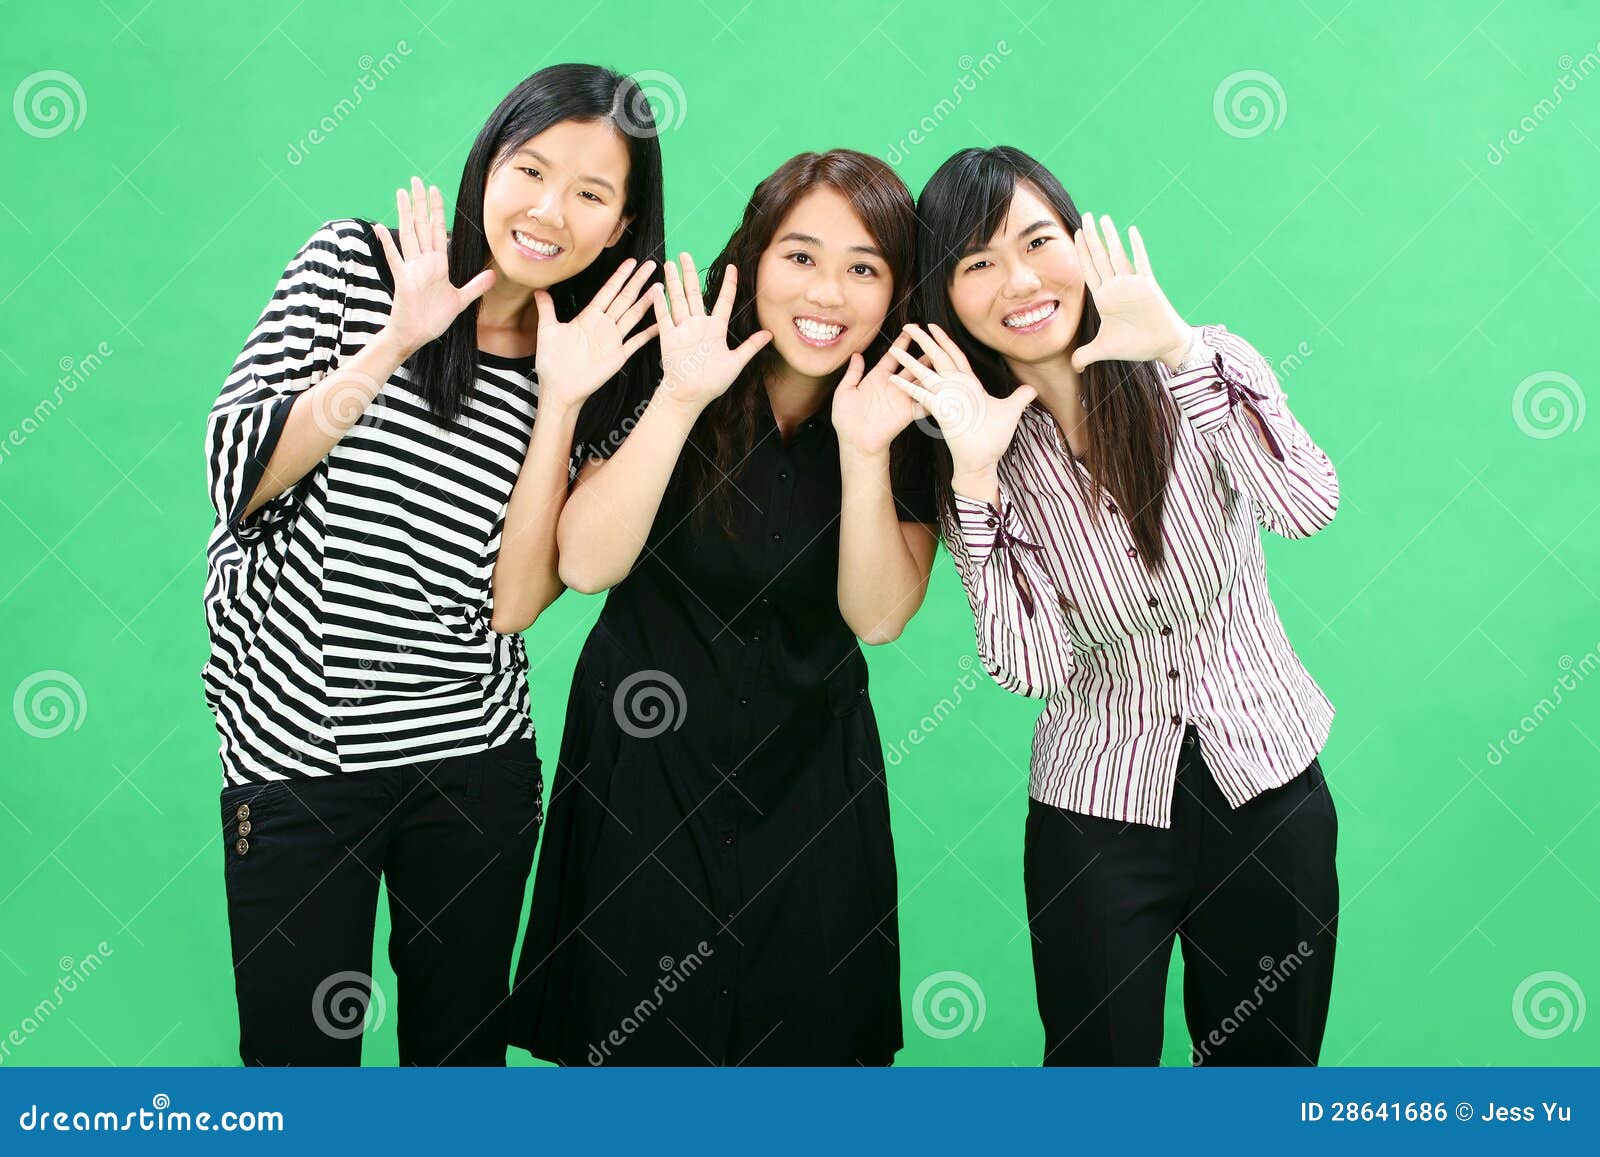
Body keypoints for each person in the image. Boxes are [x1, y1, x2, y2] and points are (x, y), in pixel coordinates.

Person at [201, 63, 664, 1065]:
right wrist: (395, 339)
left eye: (591, 193)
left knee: (458, 1063)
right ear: (487, 160)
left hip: (475, 763)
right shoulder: (352, 266)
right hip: (298, 758)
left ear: (622, 227)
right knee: (295, 1062)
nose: (550, 210)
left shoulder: (597, 361)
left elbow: (516, 605)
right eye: (530, 169)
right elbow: (237, 475)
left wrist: (562, 400)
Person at [898, 145, 1340, 1066]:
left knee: (1270, 1075)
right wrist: (975, 476)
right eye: (978, 263)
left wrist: (1180, 350)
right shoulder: (968, 454)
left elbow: (1305, 506)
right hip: (1095, 810)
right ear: (948, 297)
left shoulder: (1201, 359)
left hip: (1266, 776)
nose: (1019, 280)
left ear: (1079, 241)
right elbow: (1034, 668)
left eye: (1037, 241)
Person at [508, 149, 938, 1065]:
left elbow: (880, 616)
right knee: (636, 1055)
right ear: (752, 260)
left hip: (811, 777)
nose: (828, 292)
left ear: (897, 289)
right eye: (801, 257)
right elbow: (584, 563)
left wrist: (864, 454)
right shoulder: (669, 359)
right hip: (644, 775)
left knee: (805, 1061)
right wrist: (678, 397)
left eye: (864, 267)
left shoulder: (910, 415)